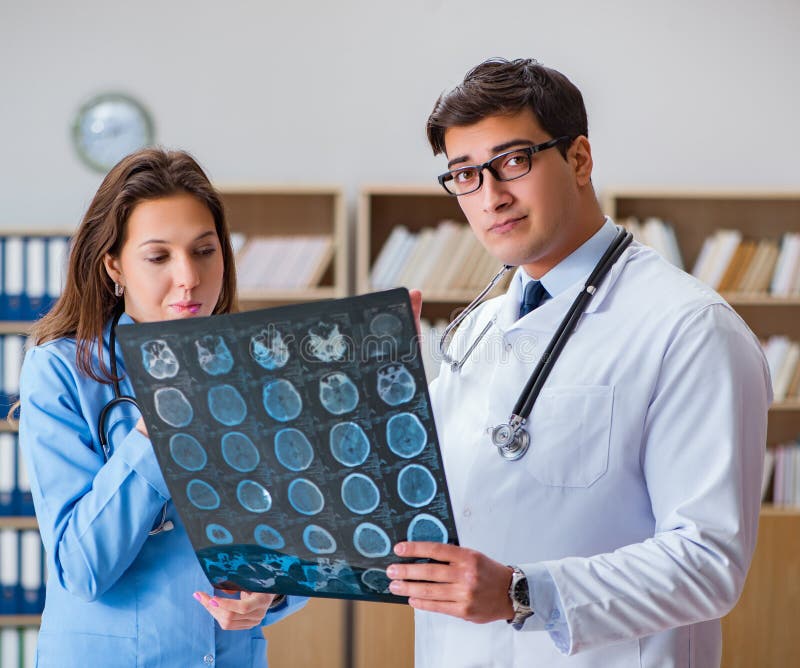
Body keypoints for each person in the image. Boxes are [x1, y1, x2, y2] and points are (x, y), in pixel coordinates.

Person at [387, 58, 771, 667]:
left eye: (513, 161)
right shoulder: (478, 327)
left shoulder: (690, 328)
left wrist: (523, 593)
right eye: (465, 175)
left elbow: (708, 561)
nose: (491, 197)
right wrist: (385, 396)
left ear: (579, 159)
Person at [17, 148, 306, 667]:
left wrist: (273, 592)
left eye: (204, 251)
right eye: (158, 257)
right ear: (114, 266)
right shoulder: (59, 371)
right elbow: (80, 570)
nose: (189, 277)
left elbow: (307, 537)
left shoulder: (263, 370)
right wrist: (157, 433)